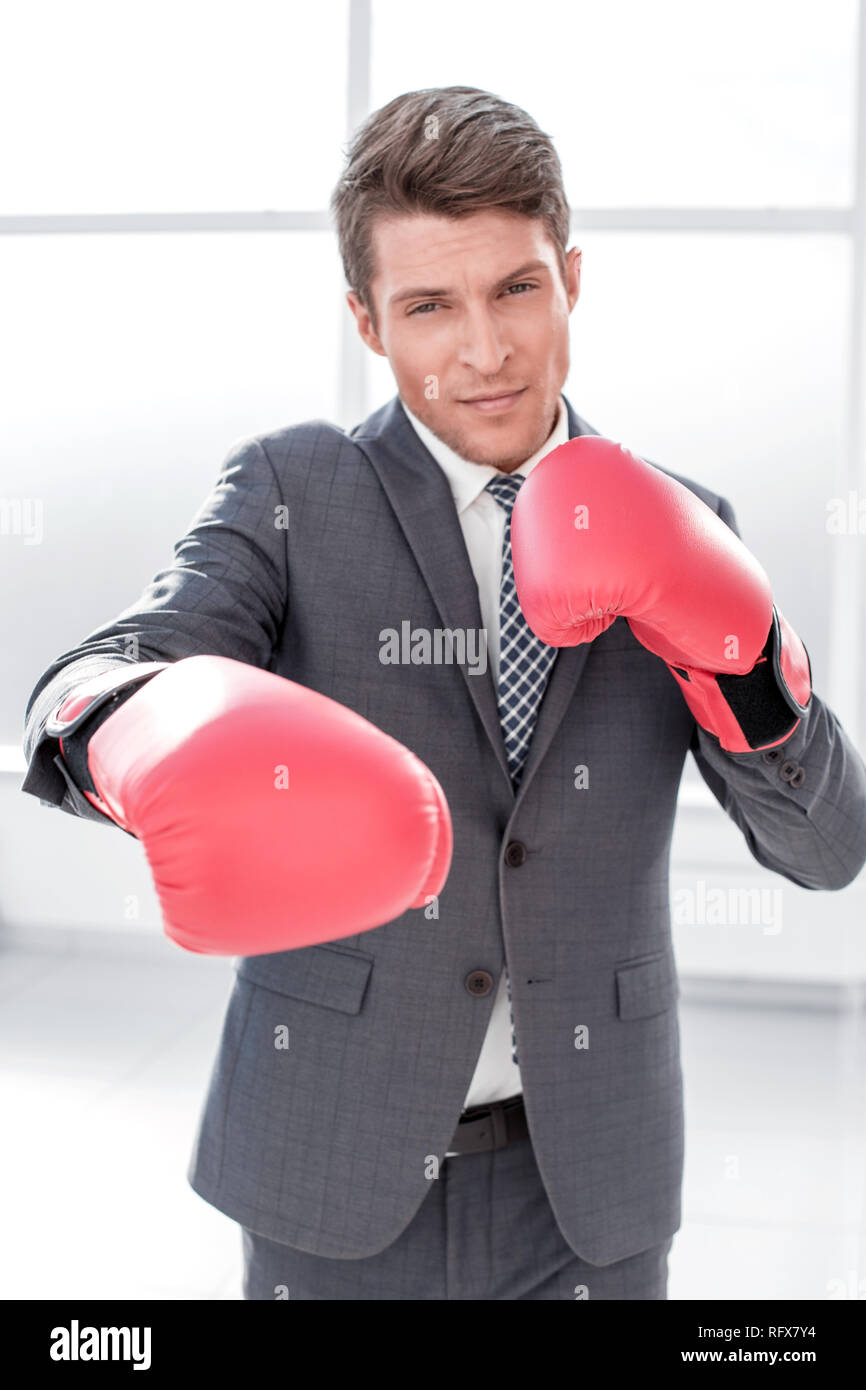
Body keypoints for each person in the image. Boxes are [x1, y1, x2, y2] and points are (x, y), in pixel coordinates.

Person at [21, 86, 866, 1301]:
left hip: (591, 1181)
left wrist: (739, 666)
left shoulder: (690, 524)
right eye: (428, 306)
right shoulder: (290, 491)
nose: (482, 350)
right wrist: (138, 725)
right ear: (367, 320)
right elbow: (105, 669)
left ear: (570, 275)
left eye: (515, 288)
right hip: (332, 1160)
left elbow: (828, 846)